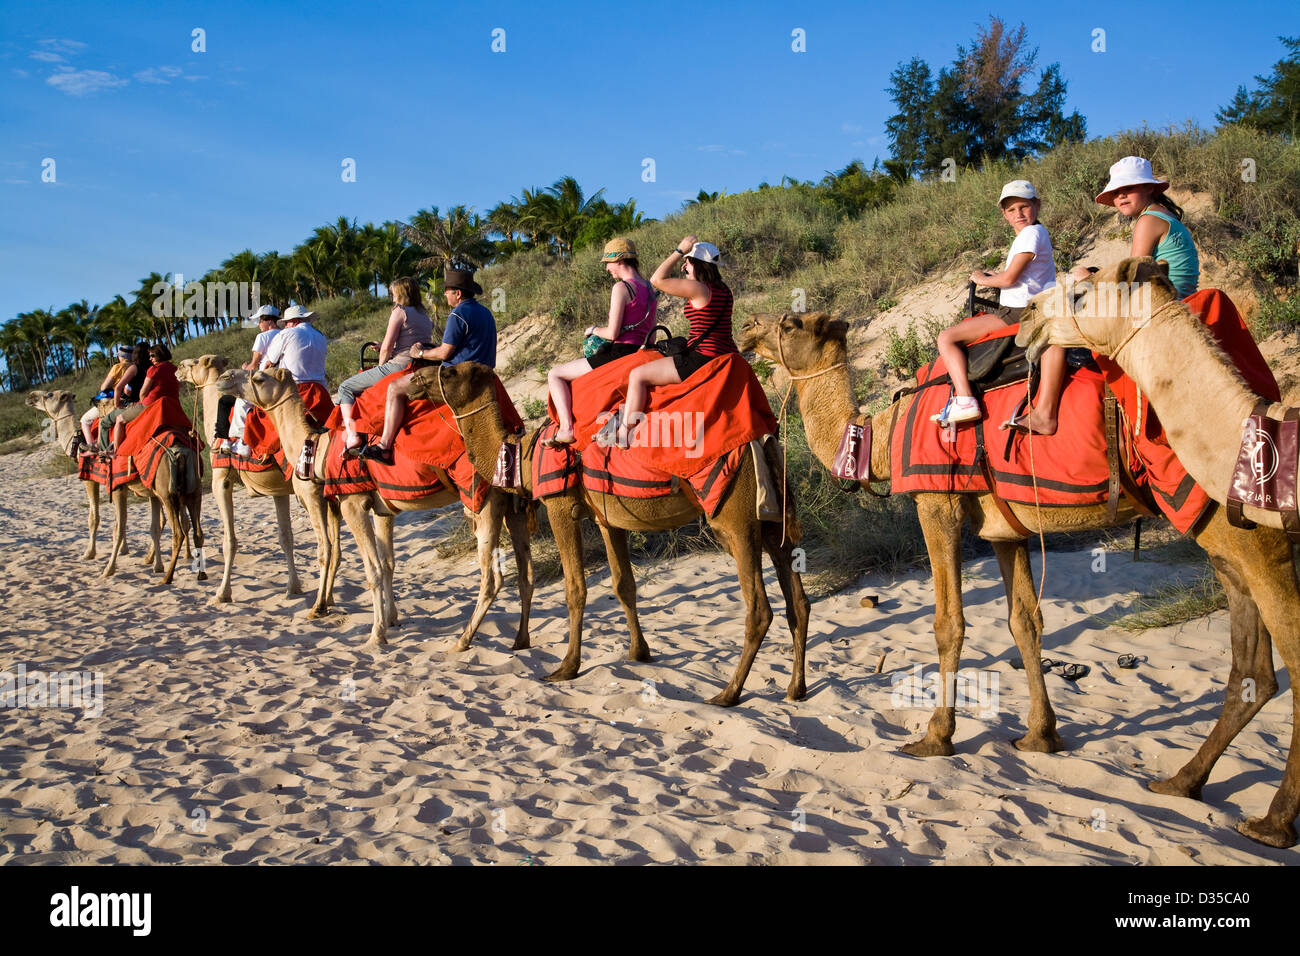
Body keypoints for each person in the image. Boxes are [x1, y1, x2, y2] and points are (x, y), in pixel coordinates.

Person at [932, 181, 1061, 433]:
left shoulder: (1030, 235)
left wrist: (982, 279)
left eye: (1024, 206)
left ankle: (965, 400)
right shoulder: (1035, 233)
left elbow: (1010, 279)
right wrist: (994, 275)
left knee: (946, 338)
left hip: (1019, 312)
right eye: (1012, 210)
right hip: (1032, 306)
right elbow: (1020, 276)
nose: (1019, 214)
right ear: (1004, 214)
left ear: (1037, 205)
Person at [360, 268, 497, 464]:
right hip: (485, 375)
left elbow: (444, 353)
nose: (444, 294)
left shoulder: (458, 314)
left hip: (456, 377)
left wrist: (420, 353)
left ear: (457, 294)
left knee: (394, 387)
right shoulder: (485, 312)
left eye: (447, 290)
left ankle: (384, 446)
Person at [616, 236, 736, 447]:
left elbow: (657, 280)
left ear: (698, 264)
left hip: (702, 358)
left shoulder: (699, 289)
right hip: (727, 354)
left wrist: (679, 250)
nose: (683, 267)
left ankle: (625, 432)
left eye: (687, 263)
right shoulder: (725, 290)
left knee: (637, 375)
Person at [545, 238, 656, 446]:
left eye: (608, 262)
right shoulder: (649, 288)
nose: (606, 268)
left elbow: (613, 333)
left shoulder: (622, 288)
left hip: (619, 354)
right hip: (641, 353)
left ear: (620, 261)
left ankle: (566, 429)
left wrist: (593, 330)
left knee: (555, 374)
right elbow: (652, 336)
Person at [1071, 155, 1200, 299]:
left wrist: (1090, 279)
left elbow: (1130, 280)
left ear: (1149, 187)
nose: (1121, 195)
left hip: (1164, 302)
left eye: (1128, 187)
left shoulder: (1148, 220)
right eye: (1115, 192)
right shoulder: (1163, 214)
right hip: (1181, 298)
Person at [337, 276, 434, 454]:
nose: (392, 298)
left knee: (345, 387)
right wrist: (386, 346)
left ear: (401, 293)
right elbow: (411, 341)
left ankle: (352, 436)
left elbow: (387, 348)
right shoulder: (424, 315)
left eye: (394, 294)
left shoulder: (399, 311)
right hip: (420, 365)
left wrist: (380, 366)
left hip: (399, 366)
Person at [214, 304, 281, 453]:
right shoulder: (284, 334)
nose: (258, 325)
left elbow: (254, 365)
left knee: (233, 400)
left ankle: (239, 440)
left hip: (266, 381)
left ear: (269, 321)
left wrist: (245, 368)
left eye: (260, 321)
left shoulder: (262, 336)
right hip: (283, 380)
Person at [100, 343, 179, 453]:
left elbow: (134, 391)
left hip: (146, 402)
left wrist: (118, 404)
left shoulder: (151, 369)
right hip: (171, 404)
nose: (150, 357)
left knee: (109, 421)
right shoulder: (175, 368)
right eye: (149, 355)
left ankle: (112, 453)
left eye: (152, 355)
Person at [79, 344, 133, 448]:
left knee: (85, 420)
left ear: (121, 356)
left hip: (113, 401)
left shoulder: (117, 367)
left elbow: (104, 387)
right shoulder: (136, 367)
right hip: (129, 401)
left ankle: (92, 447)